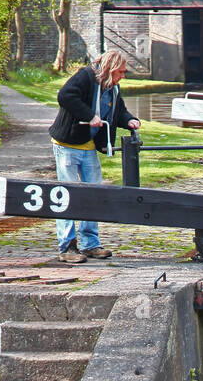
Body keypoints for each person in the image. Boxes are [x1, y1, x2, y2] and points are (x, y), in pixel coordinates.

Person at [48, 51, 141, 264]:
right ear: (110, 69)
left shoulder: (112, 88)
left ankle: (90, 244)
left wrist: (130, 121)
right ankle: (67, 246)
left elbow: (119, 111)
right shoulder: (86, 77)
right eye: (121, 72)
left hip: (88, 146)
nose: (123, 76)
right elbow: (65, 96)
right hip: (67, 144)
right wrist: (89, 116)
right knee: (67, 194)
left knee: (94, 193)